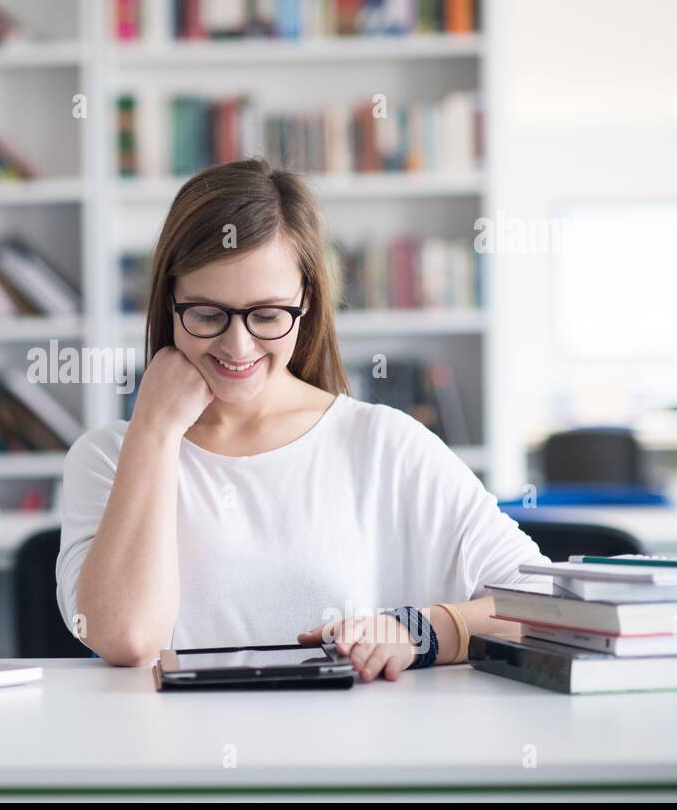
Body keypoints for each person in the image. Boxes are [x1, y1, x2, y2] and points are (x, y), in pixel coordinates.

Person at [55, 158, 546, 681]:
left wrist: (420, 629)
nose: (237, 345)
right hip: (176, 757)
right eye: (205, 313)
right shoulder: (107, 457)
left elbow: (545, 609)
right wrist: (153, 430)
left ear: (306, 301)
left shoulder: (383, 444)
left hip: (345, 757)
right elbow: (128, 637)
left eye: (266, 315)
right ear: (168, 301)